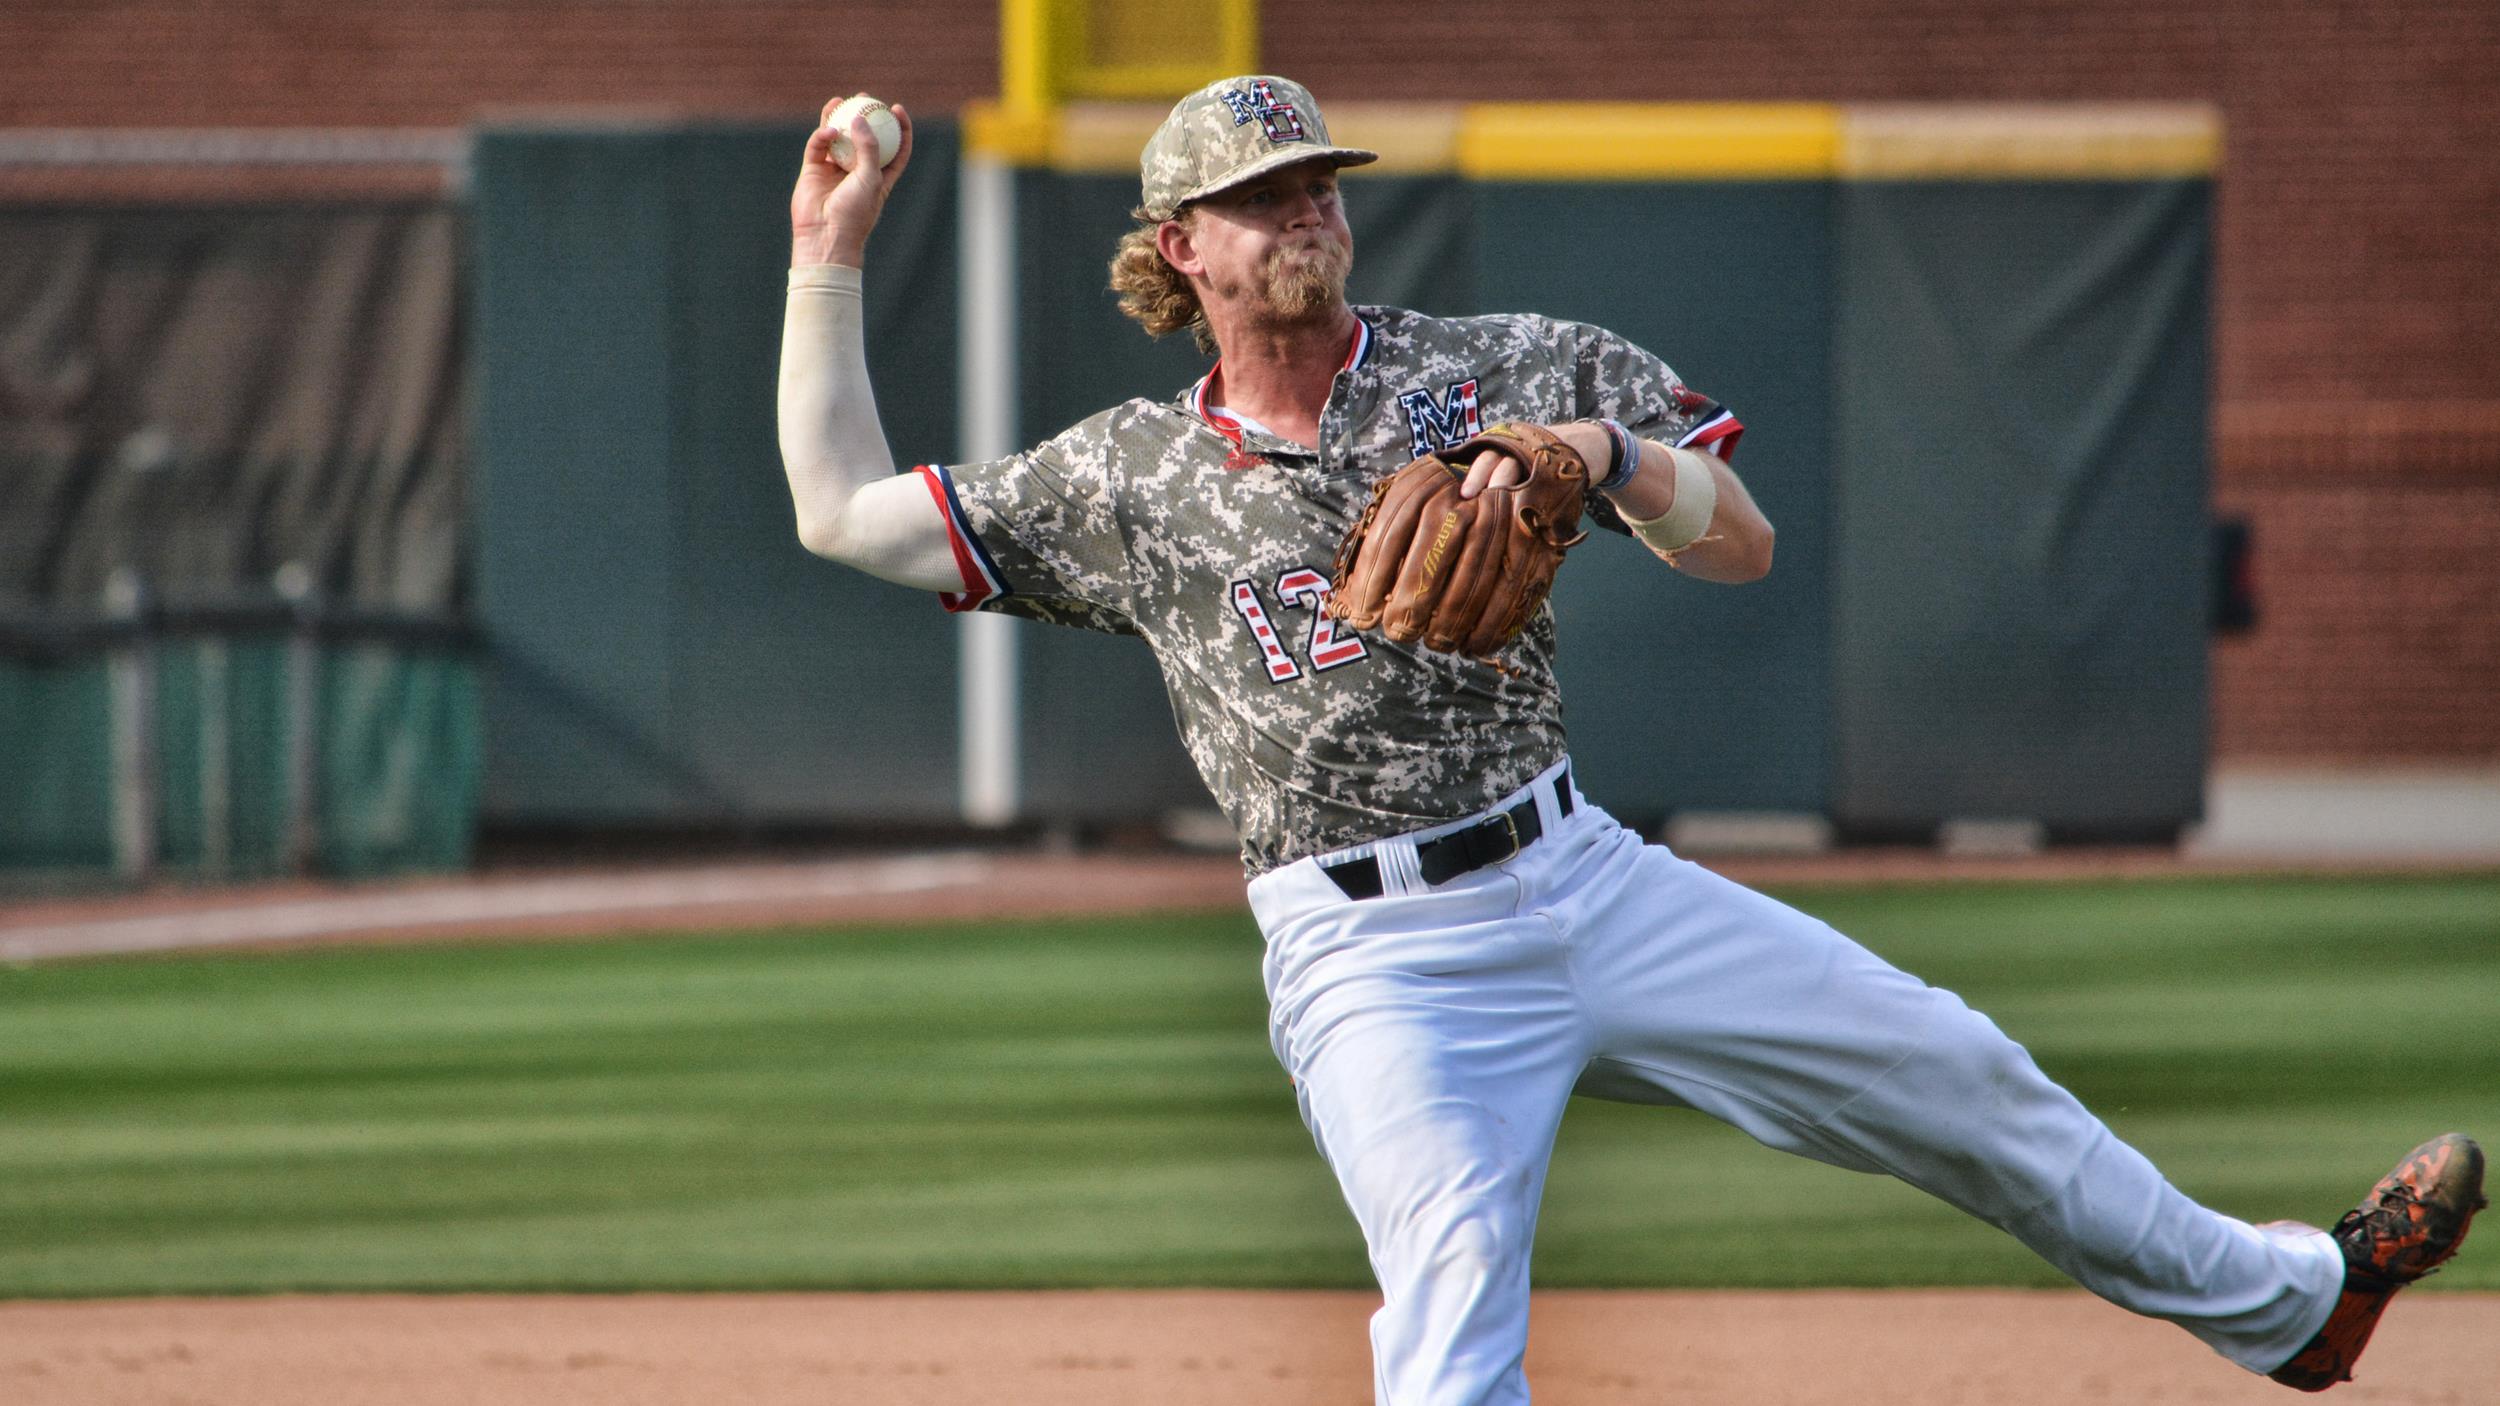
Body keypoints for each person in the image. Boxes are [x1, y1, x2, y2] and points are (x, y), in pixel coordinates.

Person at [776, 76, 2483, 1403]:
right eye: (1253, 197)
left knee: (1958, 1071)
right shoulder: (1129, 477)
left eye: (1314, 184)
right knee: (1447, 1326)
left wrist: (1607, 455)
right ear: (1181, 254)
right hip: (1375, 958)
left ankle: (2303, 1310)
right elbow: (841, 509)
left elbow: (1737, 535)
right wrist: (828, 251)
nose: (1299, 210)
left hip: (1580, 869)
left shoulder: (1498, 368)